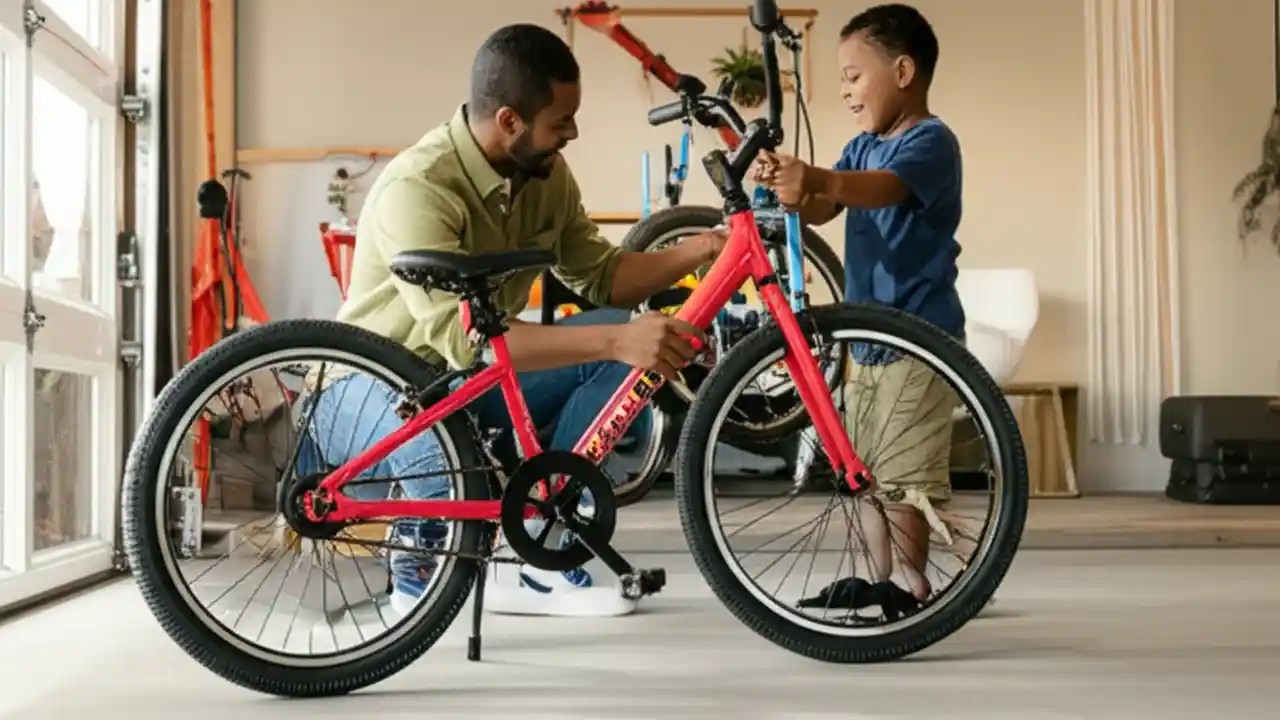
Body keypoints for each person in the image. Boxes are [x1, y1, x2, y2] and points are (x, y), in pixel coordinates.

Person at [297, 23, 724, 618]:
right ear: (508, 121)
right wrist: (618, 338)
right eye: (561, 122)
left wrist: (706, 247)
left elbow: (604, 277)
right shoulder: (419, 187)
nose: (573, 134)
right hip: (366, 384)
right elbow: (467, 339)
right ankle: (416, 579)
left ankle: (538, 548)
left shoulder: (545, 176)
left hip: (463, 383)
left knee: (618, 356)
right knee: (443, 452)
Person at [754, 3, 964, 618]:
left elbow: (882, 190)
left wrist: (819, 177)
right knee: (865, 468)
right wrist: (793, 186)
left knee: (903, 475)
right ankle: (880, 579)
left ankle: (912, 584)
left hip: (919, 337)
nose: (845, 91)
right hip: (867, 337)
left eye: (853, 76)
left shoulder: (930, 142)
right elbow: (825, 208)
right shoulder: (860, 147)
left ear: (903, 71)